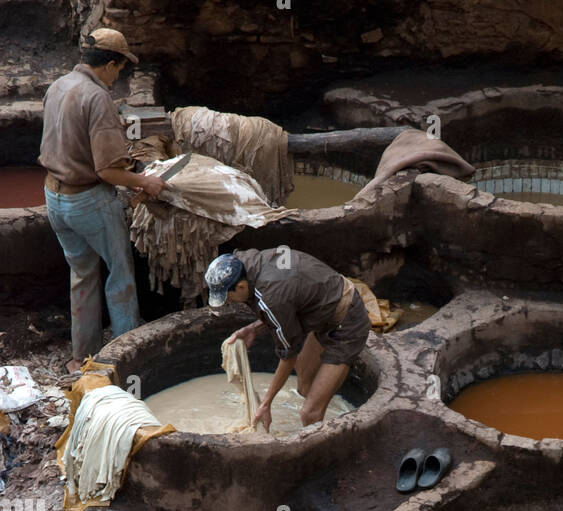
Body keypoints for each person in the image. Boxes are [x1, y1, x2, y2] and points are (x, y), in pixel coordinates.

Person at [39, 28, 166, 373]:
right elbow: (108, 170)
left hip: (54, 195)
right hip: (88, 200)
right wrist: (145, 181)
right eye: (120, 69)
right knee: (120, 274)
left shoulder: (58, 86)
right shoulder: (97, 98)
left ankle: (83, 358)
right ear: (110, 64)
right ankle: (126, 359)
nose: (118, 76)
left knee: (82, 273)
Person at [204, 248, 370, 429]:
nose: (229, 302)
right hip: (323, 311)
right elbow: (288, 305)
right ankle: (320, 405)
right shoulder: (246, 264)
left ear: (242, 286)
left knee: (309, 414)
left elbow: (289, 355)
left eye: (228, 298)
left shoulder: (271, 296)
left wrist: (265, 404)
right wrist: (253, 329)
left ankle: (323, 447)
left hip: (346, 323)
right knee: (304, 388)